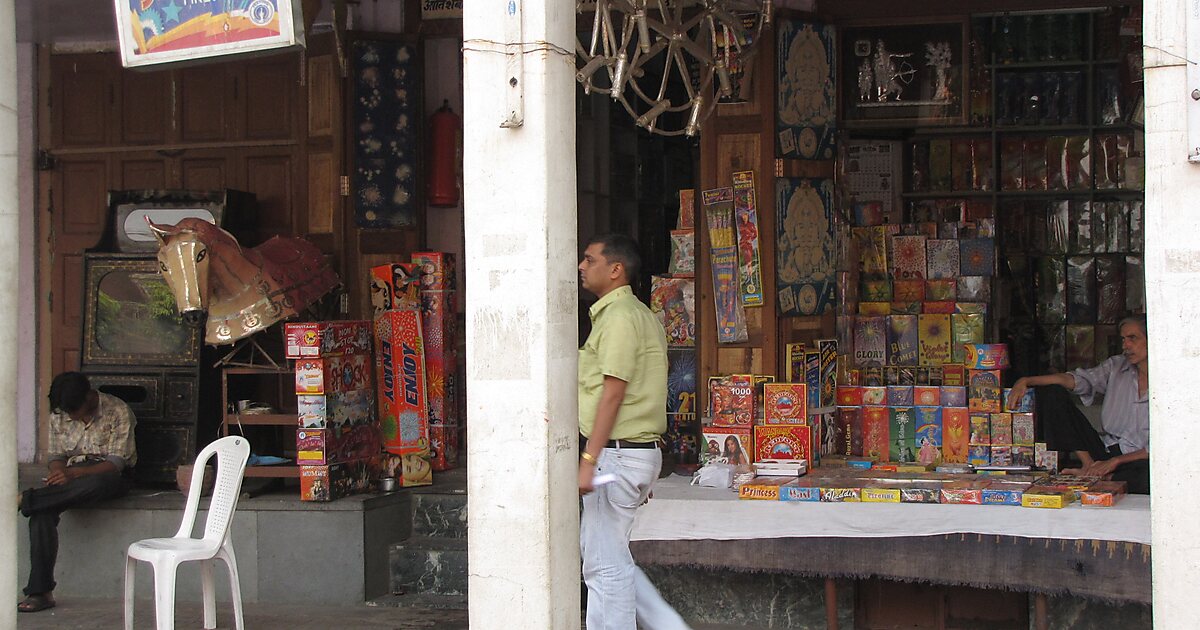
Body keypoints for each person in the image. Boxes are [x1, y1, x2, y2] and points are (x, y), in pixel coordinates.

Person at [577, 234, 690, 630]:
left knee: (605, 568)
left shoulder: (622, 318)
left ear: (615, 269)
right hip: (631, 453)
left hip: (618, 453)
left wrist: (589, 459)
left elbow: (613, 392)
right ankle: (670, 626)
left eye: (589, 260)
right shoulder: (638, 315)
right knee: (606, 558)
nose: (581, 266)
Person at [17, 372, 136, 613]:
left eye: (75, 410)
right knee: (42, 511)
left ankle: (26, 499)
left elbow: (116, 463)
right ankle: (40, 592)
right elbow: (56, 456)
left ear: (89, 397)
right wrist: (60, 472)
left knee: (97, 482)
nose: (70, 416)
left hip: (108, 475)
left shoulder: (118, 410)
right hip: (74, 474)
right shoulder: (60, 413)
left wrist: (74, 475)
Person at [1006, 314, 1149, 494]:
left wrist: (1114, 463)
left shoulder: (1172, 382)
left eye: (1133, 338)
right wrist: (1026, 380)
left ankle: (1106, 477)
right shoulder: (1116, 366)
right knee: (1053, 392)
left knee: (1158, 477)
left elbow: (1163, 445)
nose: (1125, 346)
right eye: (1123, 339)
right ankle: (1089, 466)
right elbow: (1076, 380)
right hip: (1104, 452)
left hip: (1141, 459)